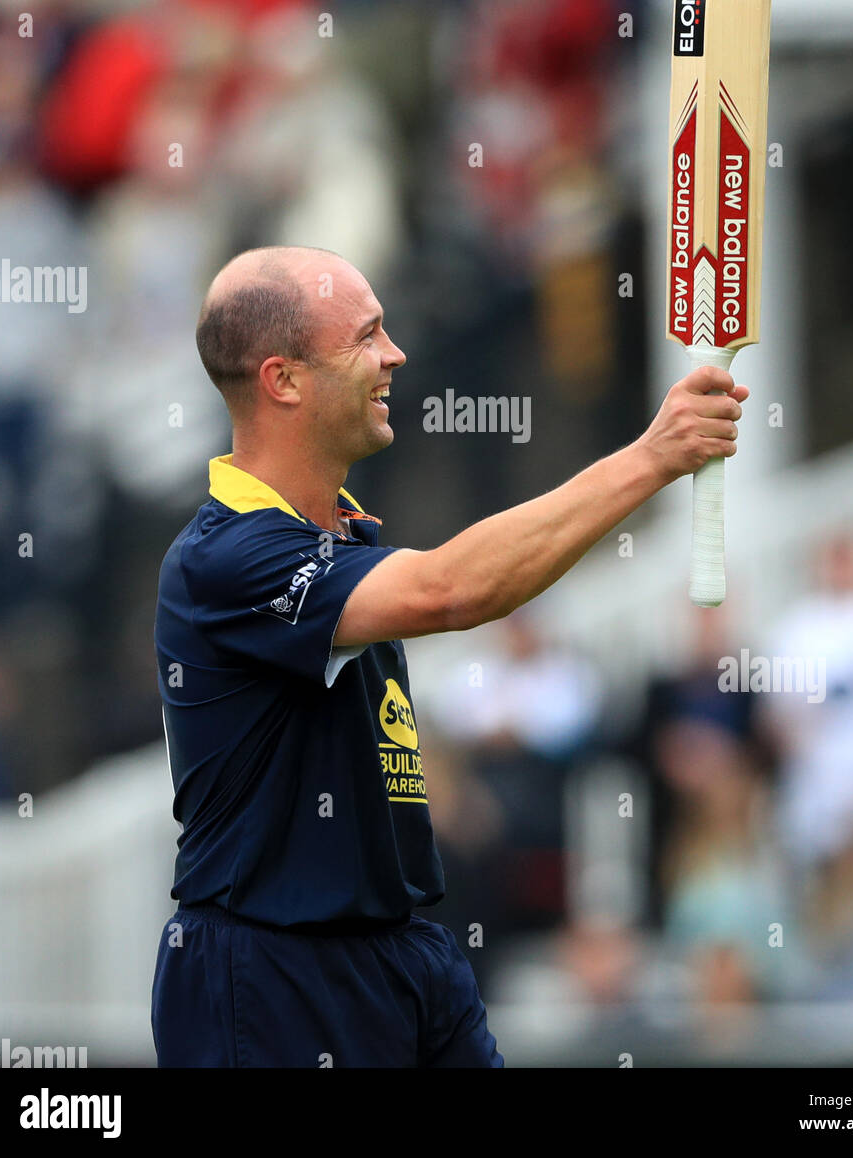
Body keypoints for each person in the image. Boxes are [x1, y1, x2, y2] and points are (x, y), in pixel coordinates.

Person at [150, 243, 746, 1068]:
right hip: (274, 970)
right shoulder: (227, 555)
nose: (395, 355)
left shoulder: (342, 535)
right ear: (283, 380)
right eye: (366, 337)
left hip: (405, 955)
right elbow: (452, 592)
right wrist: (653, 457)